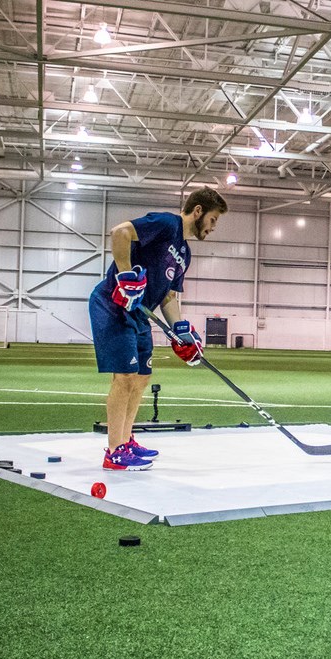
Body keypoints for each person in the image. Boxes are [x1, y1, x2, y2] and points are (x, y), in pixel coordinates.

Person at [88, 188, 228, 470]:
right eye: (213, 220)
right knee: (125, 377)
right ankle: (114, 451)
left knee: (141, 378)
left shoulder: (184, 254)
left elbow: (168, 297)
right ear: (198, 211)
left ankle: (126, 440)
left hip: (141, 315)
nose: (213, 228)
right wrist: (126, 275)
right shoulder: (167, 224)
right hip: (114, 306)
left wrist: (180, 330)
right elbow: (120, 233)